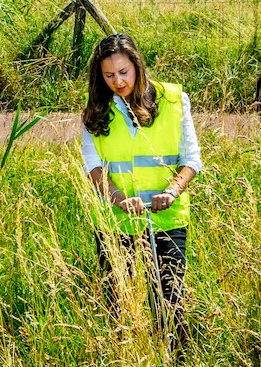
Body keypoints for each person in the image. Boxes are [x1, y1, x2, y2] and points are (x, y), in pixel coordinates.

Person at [82, 33, 201, 356]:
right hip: (115, 223)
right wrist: (118, 198)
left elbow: (191, 159)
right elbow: (93, 167)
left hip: (166, 220)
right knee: (116, 305)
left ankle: (177, 358)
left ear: (137, 66)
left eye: (124, 72)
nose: (118, 81)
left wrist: (173, 190)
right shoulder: (96, 110)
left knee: (170, 303)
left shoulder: (174, 100)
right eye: (109, 75)